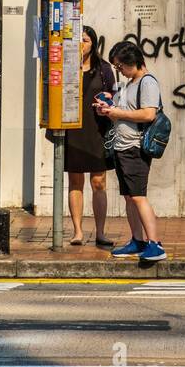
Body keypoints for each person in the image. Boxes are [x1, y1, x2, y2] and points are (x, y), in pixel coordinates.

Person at [94, 41, 166, 262]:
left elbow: (148, 115)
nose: (119, 71)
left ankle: (154, 243)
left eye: (120, 66)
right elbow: (123, 110)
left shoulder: (147, 83)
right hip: (122, 147)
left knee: (138, 197)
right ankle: (138, 240)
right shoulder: (129, 84)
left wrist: (117, 112)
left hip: (135, 147)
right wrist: (107, 107)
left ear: (132, 62)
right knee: (129, 197)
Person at [46, 25, 115, 248]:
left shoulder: (104, 69)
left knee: (98, 182)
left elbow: (115, 96)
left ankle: (101, 232)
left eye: (85, 40)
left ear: (93, 43)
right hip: (72, 128)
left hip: (97, 129)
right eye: (77, 41)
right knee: (75, 181)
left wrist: (109, 99)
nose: (81, 45)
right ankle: (77, 232)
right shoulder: (65, 67)